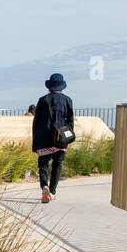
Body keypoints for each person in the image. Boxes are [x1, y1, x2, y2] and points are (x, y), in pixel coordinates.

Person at [33, 72, 74, 203]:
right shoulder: (68, 100)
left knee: (43, 164)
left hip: (44, 137)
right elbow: (70, 120)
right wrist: (68, 137)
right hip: (60, 137)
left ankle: (44, 185)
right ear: (62, 86)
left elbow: (36, 121)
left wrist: (35, 141)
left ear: (49, 86)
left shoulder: (43, 100)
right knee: (58, 164)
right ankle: (52, 191)